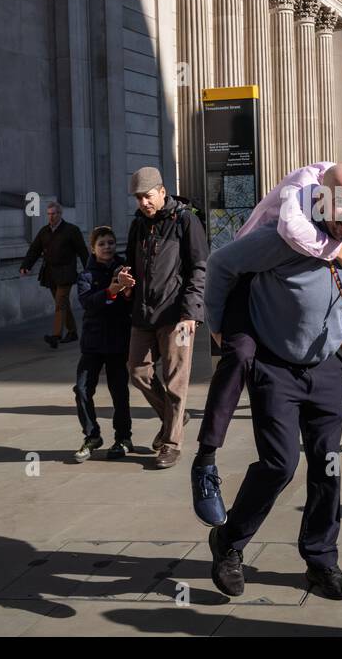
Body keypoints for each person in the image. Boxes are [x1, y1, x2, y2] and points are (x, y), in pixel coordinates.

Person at [189, 139, 342, 528]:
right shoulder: (308, 187)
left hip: (319, 354)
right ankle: (205, 462)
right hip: (250, 279)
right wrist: (217, 326)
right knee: (239, 355)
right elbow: (288, 230)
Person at [203, 164, 342, 601]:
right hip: (275, 366)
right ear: (321, 200)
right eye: (340, 205)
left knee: (327, 465)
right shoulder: (283, 238)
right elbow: (222, 263)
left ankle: (321, 560)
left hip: (325, 367)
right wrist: (217, 327)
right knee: (279, 464)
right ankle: (229, 542)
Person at [124, 167, 208, 470]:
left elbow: (199, 268)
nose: (143, 203)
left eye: (147, 196)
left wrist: (191, 313)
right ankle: (174, 417)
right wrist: (122, 277)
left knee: (176, 380)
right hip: (143, 314)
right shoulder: (138, 225)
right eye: (138, 198)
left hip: (178, 316)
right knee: (137, 371)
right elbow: (129, 263)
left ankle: (172, 444)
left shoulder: (186, 221)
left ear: (162, 191)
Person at [72, 226, 135, 462]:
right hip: (93, 342)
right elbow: (88, 303)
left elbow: (133, 304)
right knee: (81, 389)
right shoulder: (85, 277)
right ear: (93, 248)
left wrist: (127, 291)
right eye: (102, 244)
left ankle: (123, 437)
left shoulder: (125, 270)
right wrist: (110, 291)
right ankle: (92, 435)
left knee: (119, 392)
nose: (107, 247)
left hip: (118, 340)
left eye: (110, 242)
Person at [20, 200, 89, 349]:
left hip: (66, 272)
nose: (51, 217)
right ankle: (72, 332)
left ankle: (56, 335)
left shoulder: (71, 230)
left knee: (60, 303)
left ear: (60, 214)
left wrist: (89, 270)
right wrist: (26, 266)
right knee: (63, 304)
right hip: (50, 273)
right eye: (49, 214)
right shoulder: (44, 231)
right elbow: (34, 250)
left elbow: (83, 251)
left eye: (54, 214)